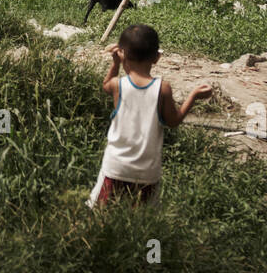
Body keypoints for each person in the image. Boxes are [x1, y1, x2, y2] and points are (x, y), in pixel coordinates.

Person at [87, 24, 212, 208]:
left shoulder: (118, 85)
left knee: (102, 211)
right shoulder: (163, 88)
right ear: (156, 57)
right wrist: (193, 96)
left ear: (122, 54)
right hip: (147, 172)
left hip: (116, 167)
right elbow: (173, 121)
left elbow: (106, 84)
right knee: (141, 216)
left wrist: (115, 64)